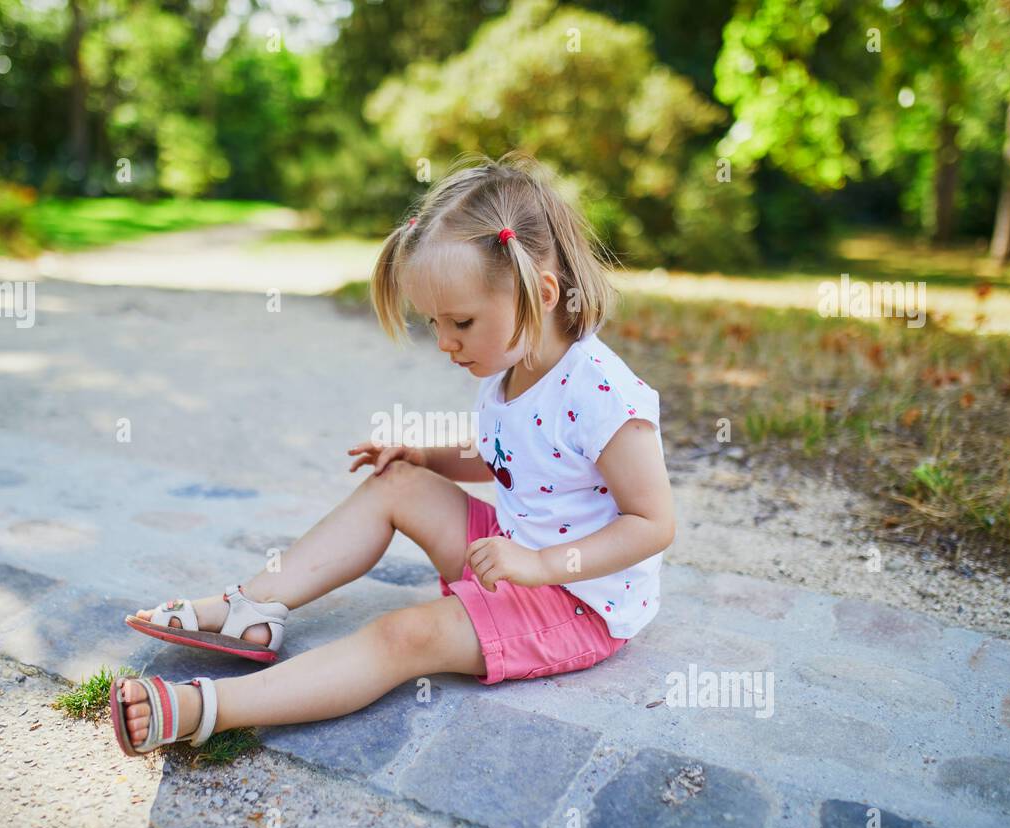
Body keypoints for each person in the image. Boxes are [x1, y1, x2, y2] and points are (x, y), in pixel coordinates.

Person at [110, 150, 675, 756]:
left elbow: (653, 523)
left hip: (576, 600)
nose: (443, 343)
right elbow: (515, 457)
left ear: (539, 293)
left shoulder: (603, 395)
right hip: (509, 554)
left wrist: (540, 568)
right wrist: (426, 458)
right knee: (397, 480)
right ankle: (252, 608)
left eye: (459, 321)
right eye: (432, 323)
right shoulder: (512, 368)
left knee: (405, 636)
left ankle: (206, 709)